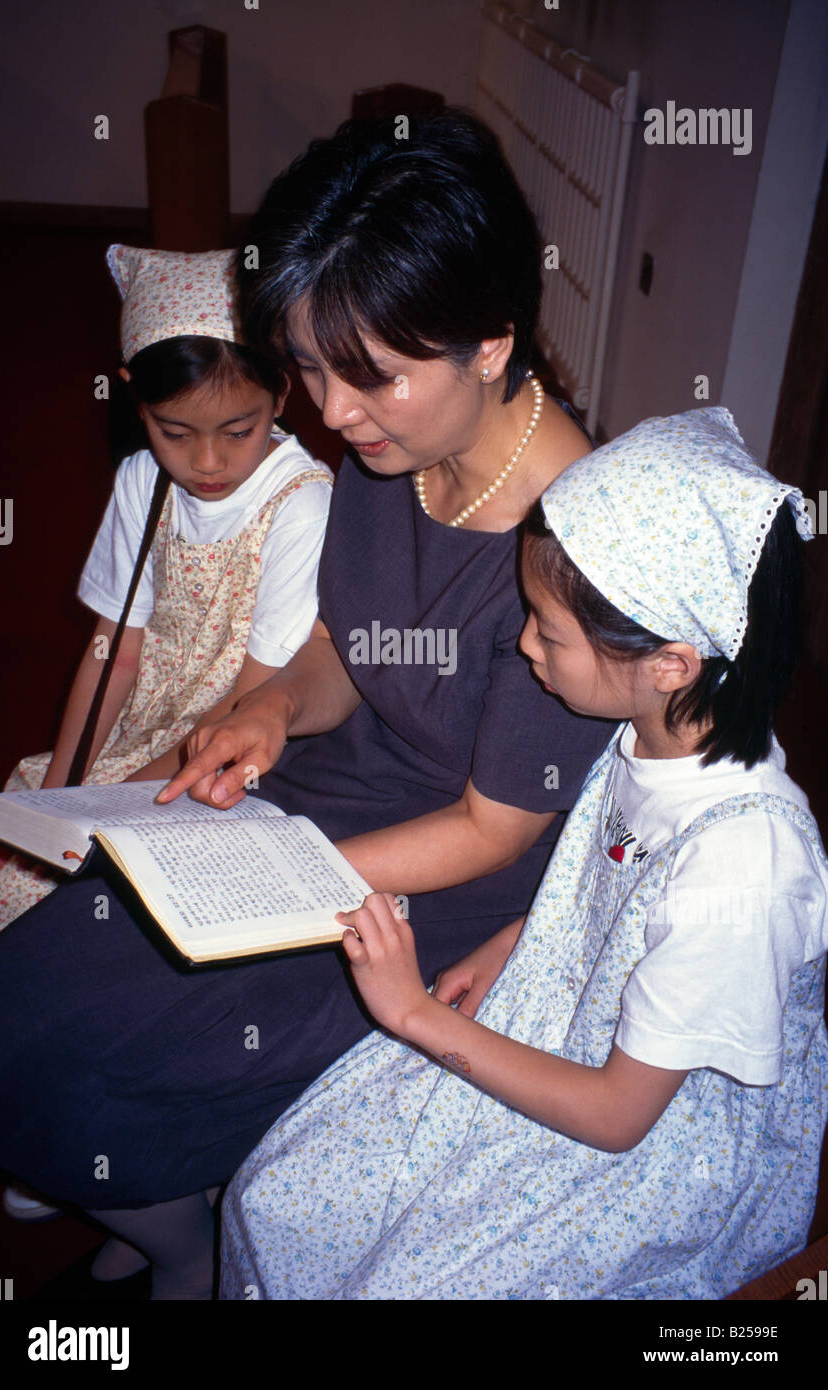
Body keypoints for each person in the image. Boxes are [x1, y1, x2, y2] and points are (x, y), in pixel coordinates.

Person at [0, 111, 613, 1301]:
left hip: (437, 875)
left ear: (490, 344)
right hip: (330, 799)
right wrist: (274, 705)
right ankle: (164, 1207)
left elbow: (498, 828)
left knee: (94, 1043)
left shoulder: (572, 541)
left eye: (366, 376)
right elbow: (340, 642)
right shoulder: (398, 453)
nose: (331, 412)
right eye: (311, 368)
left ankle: (178, 1231)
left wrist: (279, 876)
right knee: (28, 988)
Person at [220, 407, 828, 1301]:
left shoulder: (746, 867)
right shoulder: (649, 730)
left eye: (547, 630)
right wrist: (512, 939)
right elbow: (614, 882)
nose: (523, 645)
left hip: (650, 1139)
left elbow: (620, 1120)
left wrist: (416, 1018)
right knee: (280, 1197)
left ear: (669, 661)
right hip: (568, 1012)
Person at [0, 243, 333, 951]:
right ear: (133, 397)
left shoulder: (301, 501)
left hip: (229, 753)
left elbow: (249, 705)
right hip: (145, 736)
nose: (206, 463)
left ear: (282, 396)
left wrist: (107, 818)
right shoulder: (143, 479)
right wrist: (56, 801)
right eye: (175, 432)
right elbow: (115, 653)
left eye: (239, 431)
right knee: (6, 844)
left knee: (45, 907)